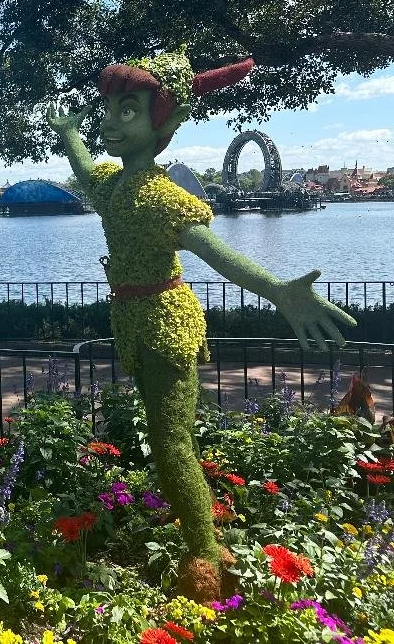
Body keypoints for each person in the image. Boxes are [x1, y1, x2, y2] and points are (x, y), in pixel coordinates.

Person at [46, 49, 355, 602]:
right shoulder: (115, 187)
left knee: (171, 445)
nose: (108, 123)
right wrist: (69, 133)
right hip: (132, 321)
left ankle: (204, 555)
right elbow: (86, 170)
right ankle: (200, 537)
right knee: (165, 441)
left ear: (161, 122)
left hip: (166, 323)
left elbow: (216, 253)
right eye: (108, 108)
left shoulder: (166, 200)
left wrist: (280, 290)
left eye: (128, 111)